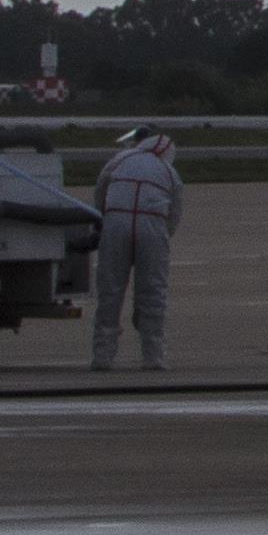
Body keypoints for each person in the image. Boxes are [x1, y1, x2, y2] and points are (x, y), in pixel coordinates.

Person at [88, 125, 182, 372]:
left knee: (110, 291)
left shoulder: (120, 159)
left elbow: (100, 189)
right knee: (153, 293)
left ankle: (102, 356)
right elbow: (175, 212)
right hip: (152, 226)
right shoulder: (169, 170)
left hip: (116, 222)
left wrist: (103, 218)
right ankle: (154, 357)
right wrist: (164, 234)